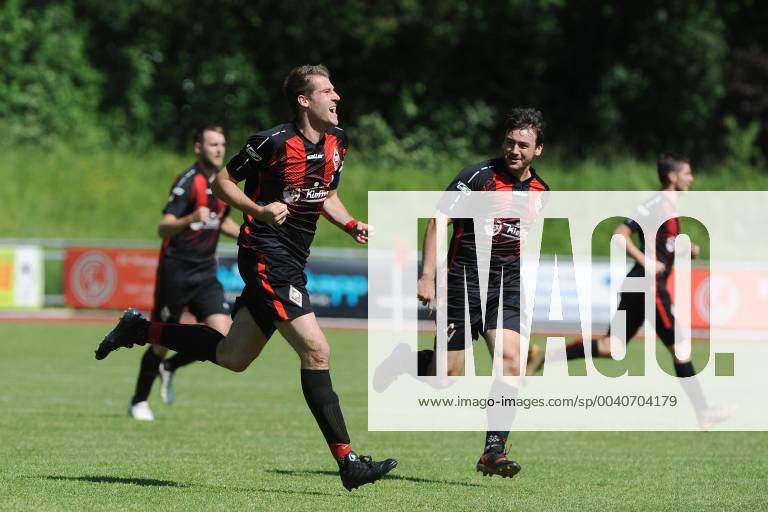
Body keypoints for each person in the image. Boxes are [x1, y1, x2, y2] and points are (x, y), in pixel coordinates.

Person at [95, 64, 397, 491]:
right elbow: (223, 181)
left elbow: (326, 194)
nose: (337, 97)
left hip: (293, 260)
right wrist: (257, 211)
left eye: (335, 90)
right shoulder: (271, 142)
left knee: (233, 356)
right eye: (327, 91)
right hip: (265, 255)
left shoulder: (338, 142)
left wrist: (350, 224)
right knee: (317, 351)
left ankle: (139, 329)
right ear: (304, 101)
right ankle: (348, 462)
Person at [416, 108, 549, 478]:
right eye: (510, 142)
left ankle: (493, 451)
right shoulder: (477, 177)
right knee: (446, 376)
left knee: (511, 361)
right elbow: (438, 221)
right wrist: (427, 277)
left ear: (538, 149)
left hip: (505, 287)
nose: (514, 150)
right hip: (462, 281)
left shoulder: (541, 192)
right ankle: (404, 363)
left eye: (523, 145)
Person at [552, 152, 727, 428]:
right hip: (648, 286)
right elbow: (619, 235)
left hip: (640, 285)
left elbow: (661, 246)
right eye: (687, 173)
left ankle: (541, 357)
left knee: (612, 346)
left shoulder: (670, 209)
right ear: (673, 176)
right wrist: (645, 260)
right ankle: (704, 412)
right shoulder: (655, 204)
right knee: (681, 348)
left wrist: (684, 249)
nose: (691, 178)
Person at [128, 125, 240, 421]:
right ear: (198, 148)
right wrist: (190, 217)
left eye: (222, 144)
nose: (219, 149)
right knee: (160, 342)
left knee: (224, 335)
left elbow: (220, 221)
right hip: (176, 273)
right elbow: (163, 227)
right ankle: (139, 401)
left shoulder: (225, 183)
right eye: (213, 144)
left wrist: (246, 235)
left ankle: (171, 367)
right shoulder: (188, 181)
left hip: (206, 274)